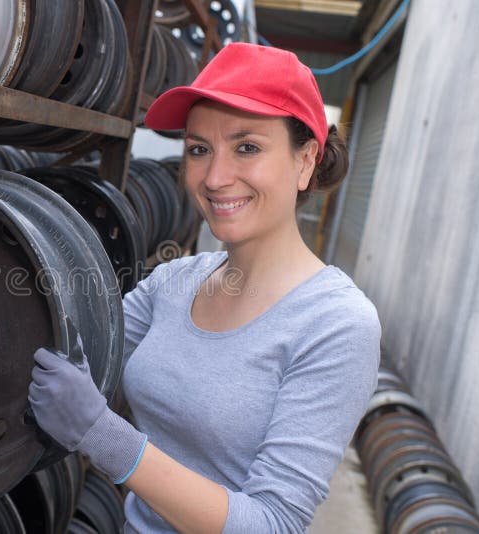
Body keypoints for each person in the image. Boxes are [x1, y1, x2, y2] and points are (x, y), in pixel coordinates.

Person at [28, 43, 381, 533]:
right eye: (199, 150)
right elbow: (66, 345)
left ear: (306, 161)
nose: (215, 178)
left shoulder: (337, 325)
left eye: (248, 147)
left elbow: (273, 523)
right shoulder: (175, 280)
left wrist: (102, 435)